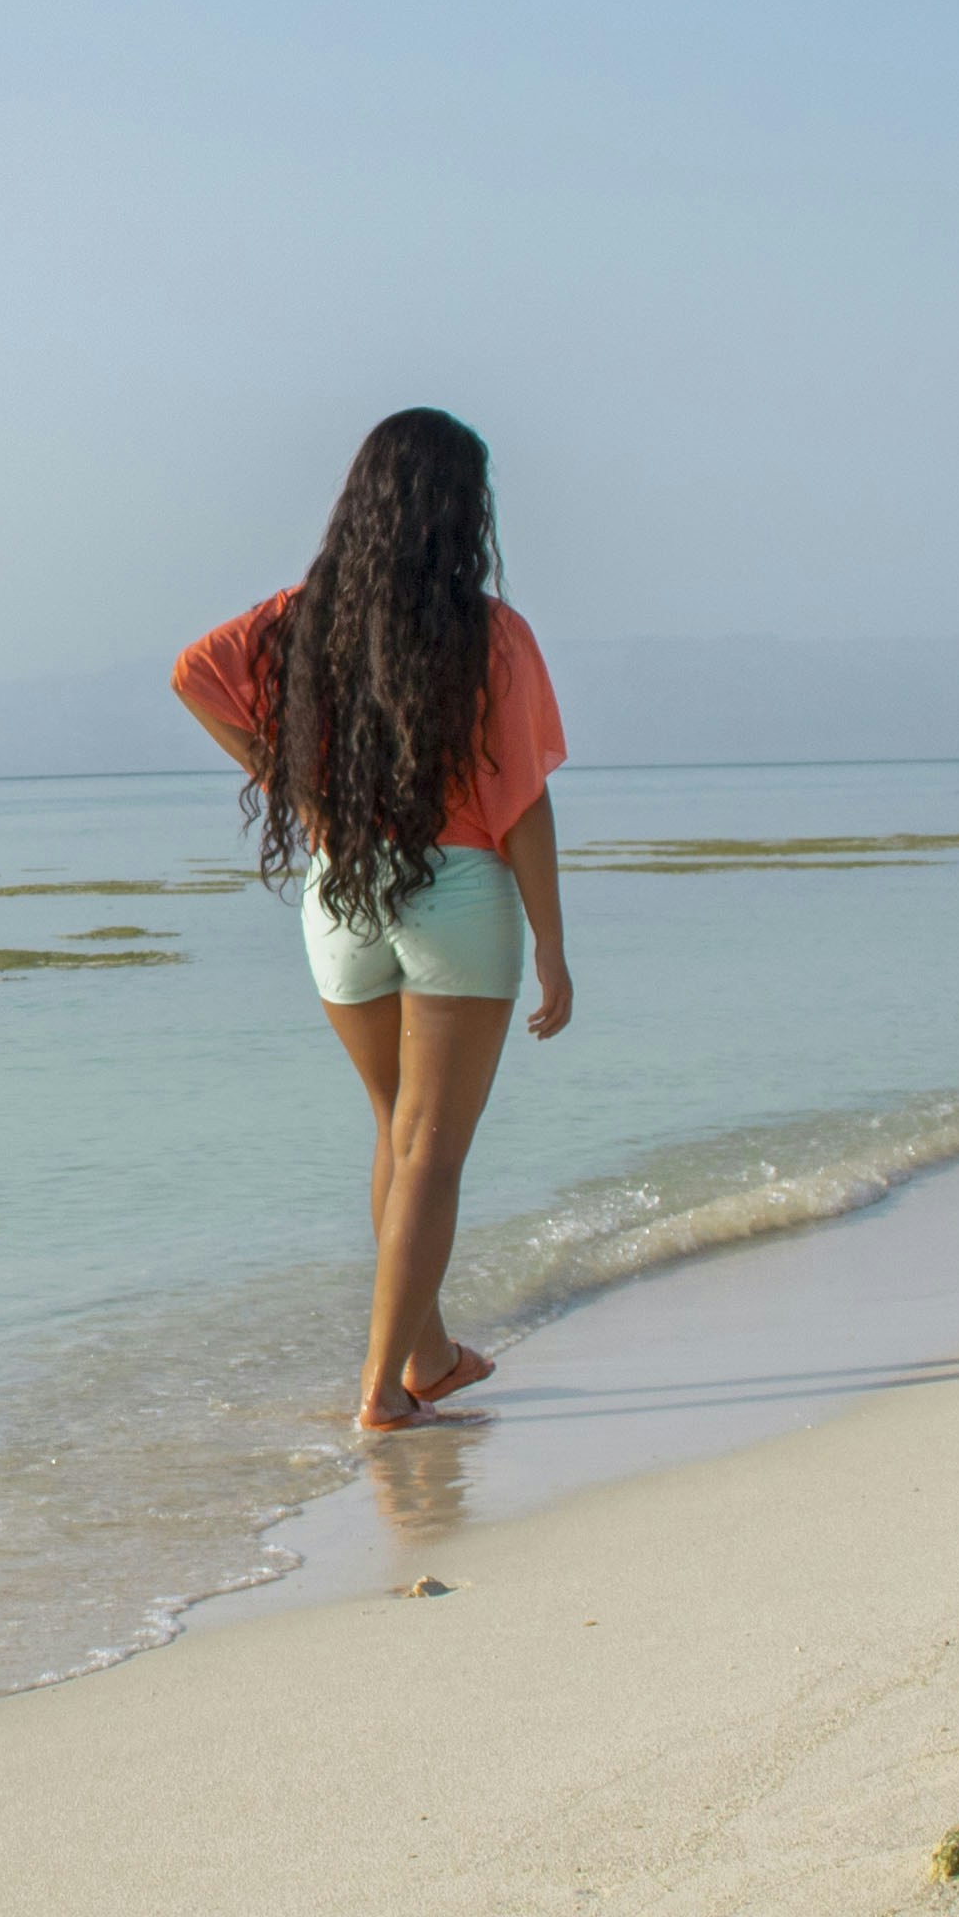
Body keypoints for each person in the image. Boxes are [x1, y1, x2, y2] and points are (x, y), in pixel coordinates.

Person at [172, 408, 572, 1435]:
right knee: (430, 1146)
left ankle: (427, 1356)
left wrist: (299, 790)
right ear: (460, 510)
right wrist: (554, 948)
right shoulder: (490, 632)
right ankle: (381, 1387)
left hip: (340, 893)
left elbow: (193, 673)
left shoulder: (303, 620)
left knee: (397, 1130)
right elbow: (522, 803)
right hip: (457, 893)